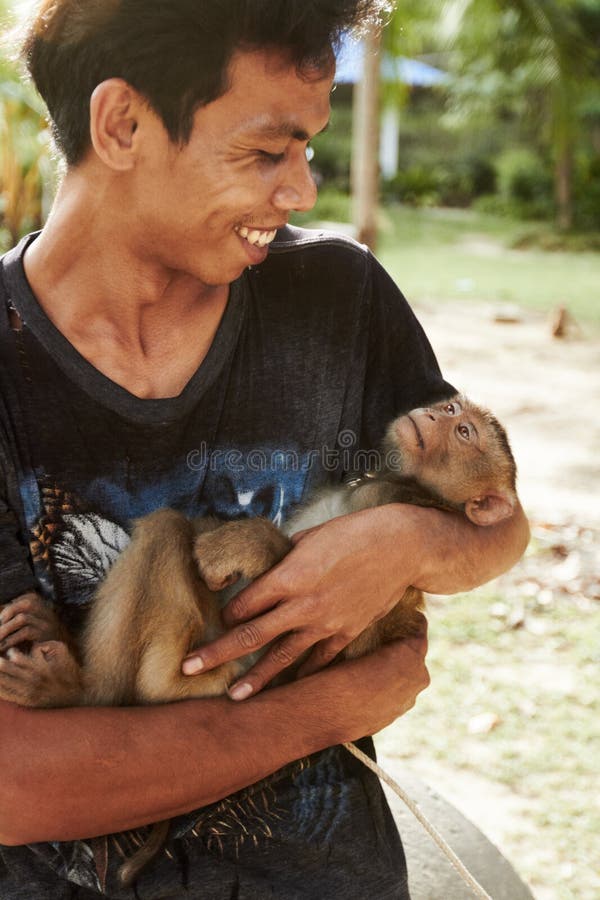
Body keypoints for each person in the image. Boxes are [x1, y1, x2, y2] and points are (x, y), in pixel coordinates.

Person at [0, 1, 529, 897]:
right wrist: (329, 709)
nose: (302, 191)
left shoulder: (337, 294)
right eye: (266, 151)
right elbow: (17, 783)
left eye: (310, 150)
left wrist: (409, 542)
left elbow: (499, 523)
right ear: (122, 124)